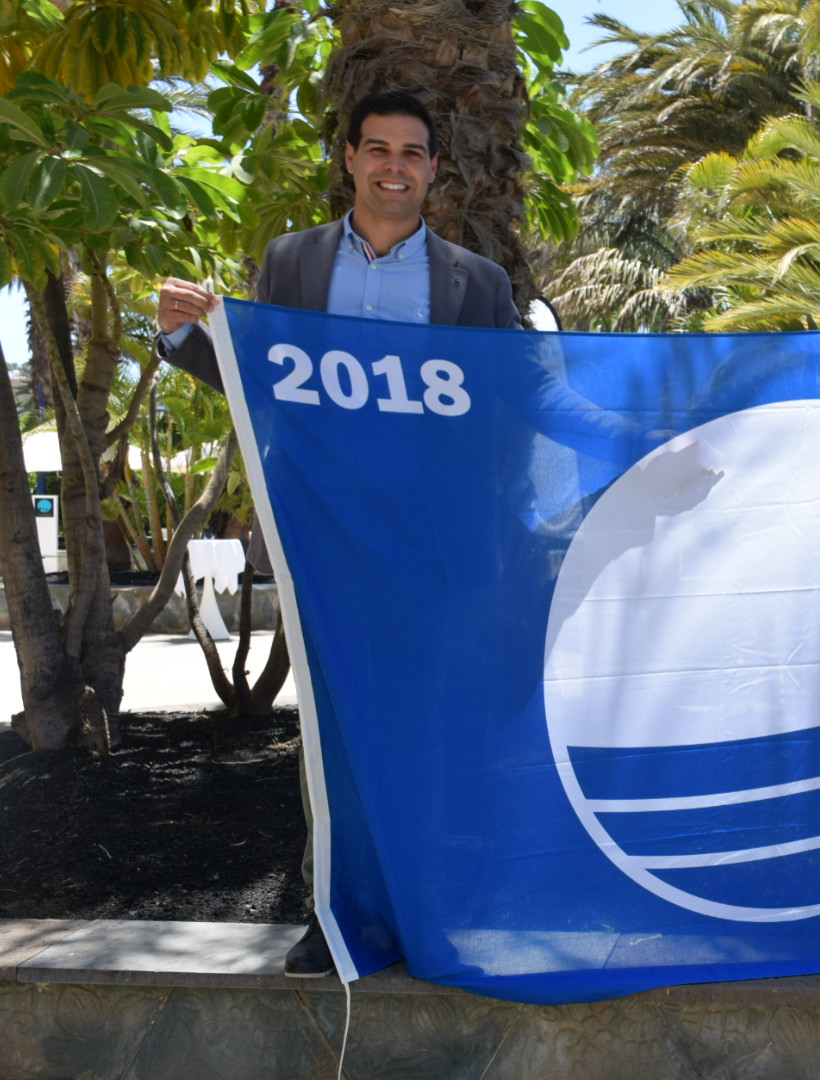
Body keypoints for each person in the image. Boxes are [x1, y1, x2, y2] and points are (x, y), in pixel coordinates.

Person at [155, 89, 537, 978]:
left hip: (435, 546)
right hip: (323, 543)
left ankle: (434, 914)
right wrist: (179, 338)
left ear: (434, 168)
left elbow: (519, 395)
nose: (394, 166)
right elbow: (257, 382)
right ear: (352, 160)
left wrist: (640, 432)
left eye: (412, 152)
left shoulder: (475, 283)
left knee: (435, 727)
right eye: (378, 150)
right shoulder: (289, 265)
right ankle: (335, 916)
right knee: (332, 734)